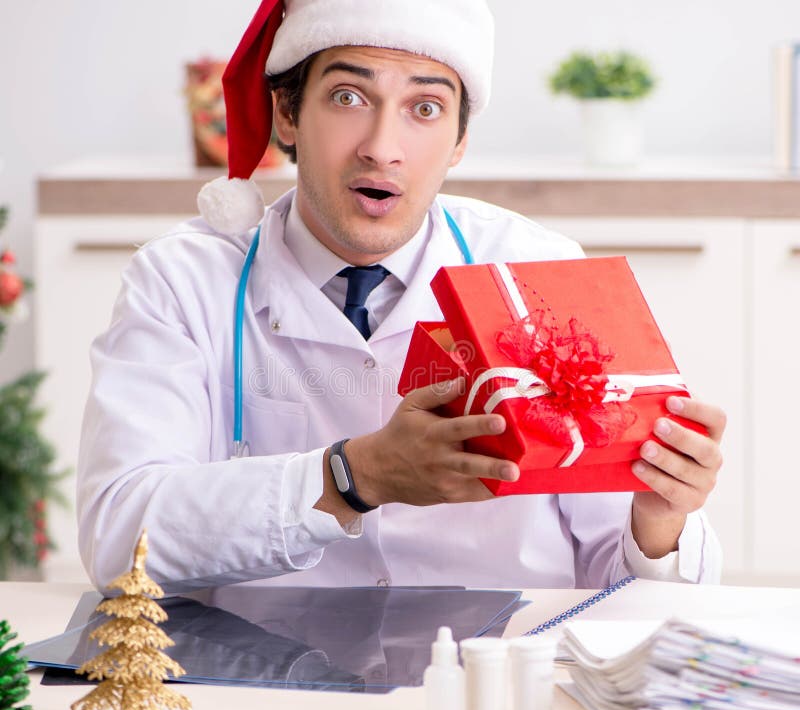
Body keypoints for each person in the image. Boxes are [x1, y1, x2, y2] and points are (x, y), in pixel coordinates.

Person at [77, 0, 725, 594]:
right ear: (287, 113)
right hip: (272, 683)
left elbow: (623, 585)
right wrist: (351, 478)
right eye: (349, 96)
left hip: (494, 679)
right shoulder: (182, 279)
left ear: (460, 141)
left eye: (425, 108)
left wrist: (658, 523)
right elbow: (117, 538)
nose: (381, 148)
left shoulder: (538, 269)